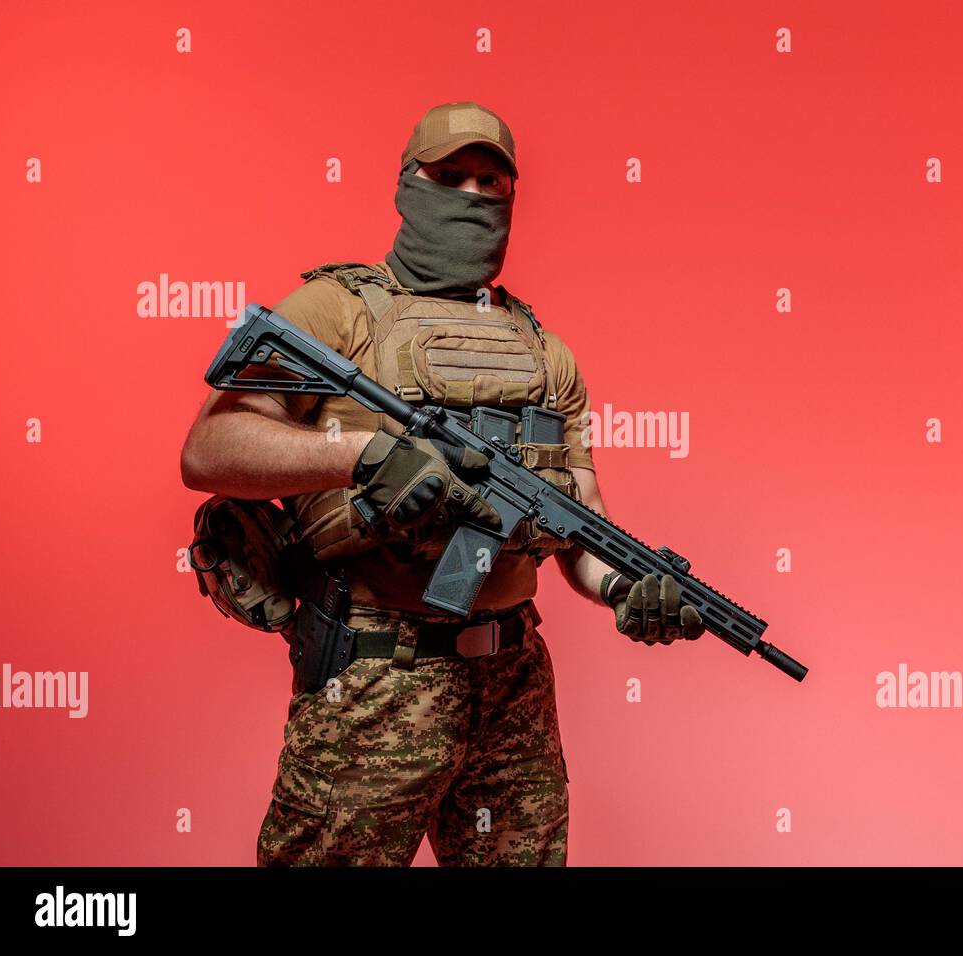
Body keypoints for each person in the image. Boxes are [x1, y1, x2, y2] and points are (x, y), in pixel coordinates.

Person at [180, 101, 704, 866]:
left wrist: (629, 589)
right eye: (448, 175)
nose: (470, 195)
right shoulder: (337, 311)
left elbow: (581, 525)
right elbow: (209, 450)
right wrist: (364, 456)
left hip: (512, 684)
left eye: (490, 182)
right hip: (372, 678)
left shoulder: (545, 353)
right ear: (406, 186)